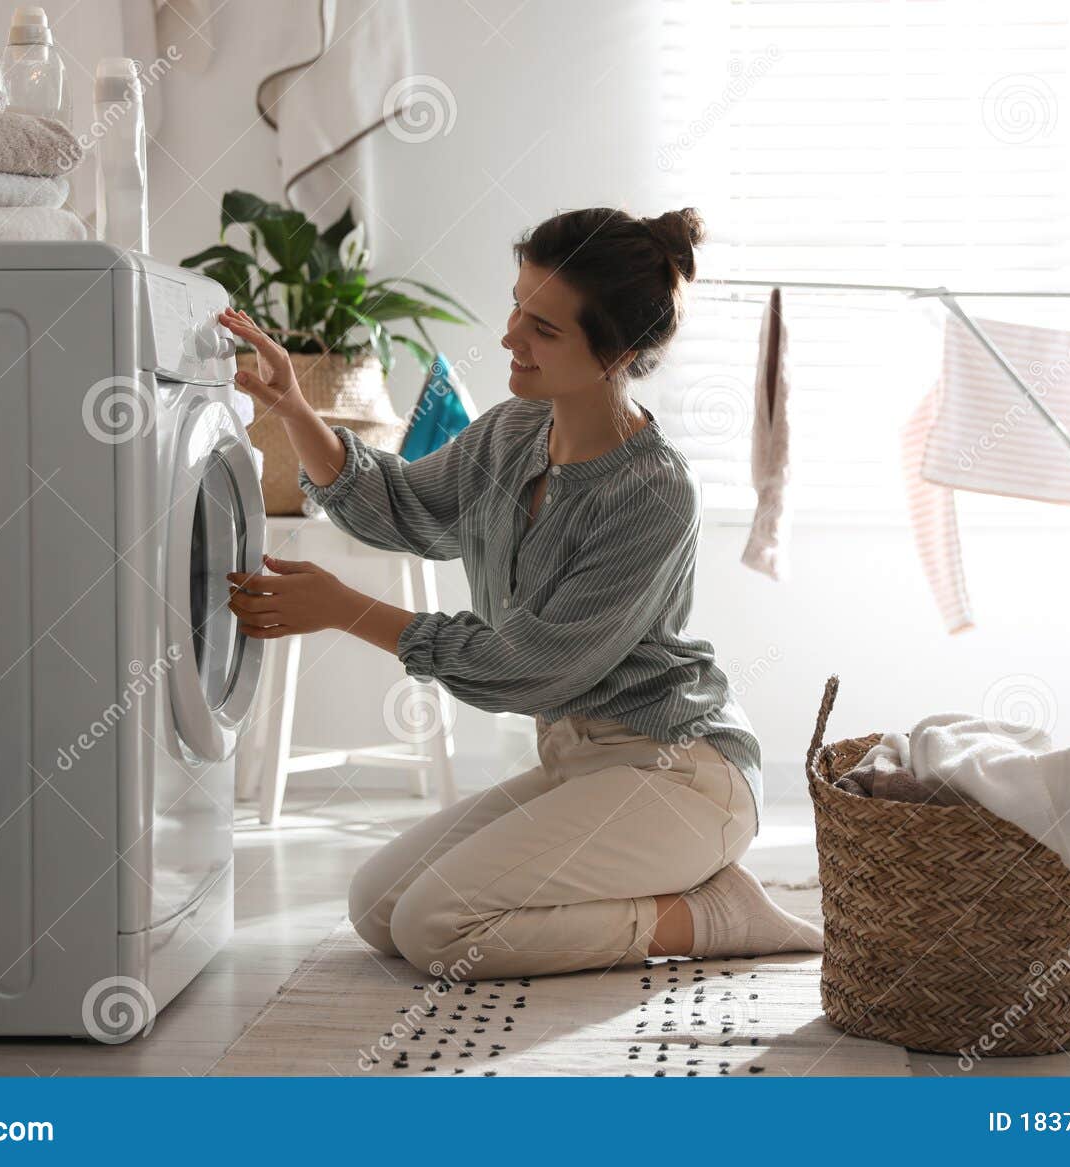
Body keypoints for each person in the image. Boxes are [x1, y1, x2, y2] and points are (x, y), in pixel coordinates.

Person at [219, 206, 819, 978]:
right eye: (517, 304)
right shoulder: (512, 432)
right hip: (581, 763)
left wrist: (346, 609)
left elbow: (527, 668)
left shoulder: (654, 492)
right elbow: (398, 508)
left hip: (683, 775)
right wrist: (294, 408)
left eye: (544, 326)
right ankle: (663, 885)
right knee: (378, 907)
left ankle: (711, 912)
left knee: (437, 926)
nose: (510, 335)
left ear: (618, 353)